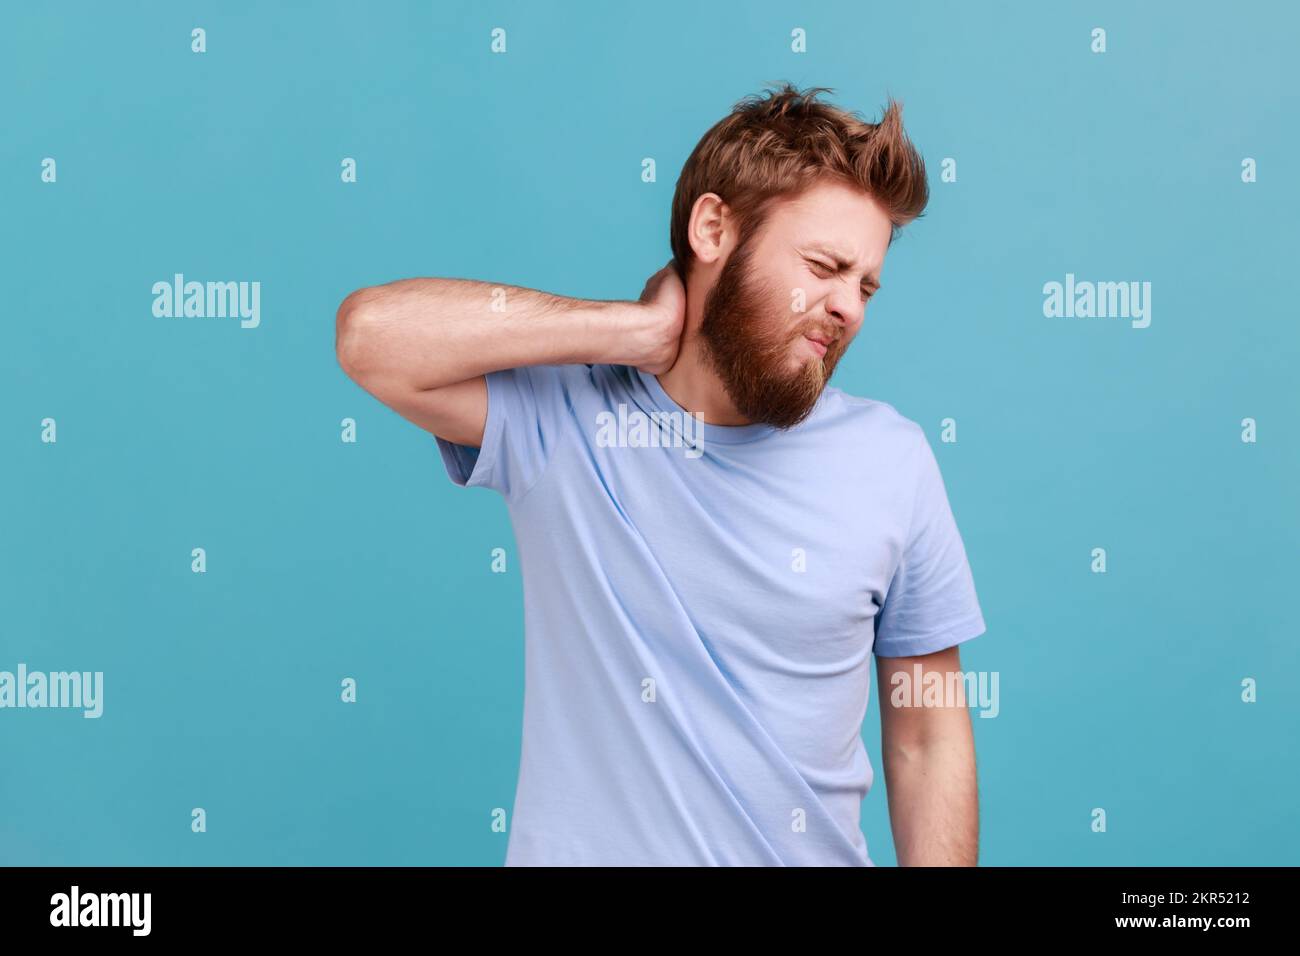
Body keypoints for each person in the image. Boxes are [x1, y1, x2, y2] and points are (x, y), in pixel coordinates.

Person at [334, 83, 987, 866]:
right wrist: (635, 329)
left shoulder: (894, 460)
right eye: (825, 266)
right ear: (713, 228)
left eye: (867, 285)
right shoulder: (568, 420)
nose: (849, 305)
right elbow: (372, 337)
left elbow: (928, 727)